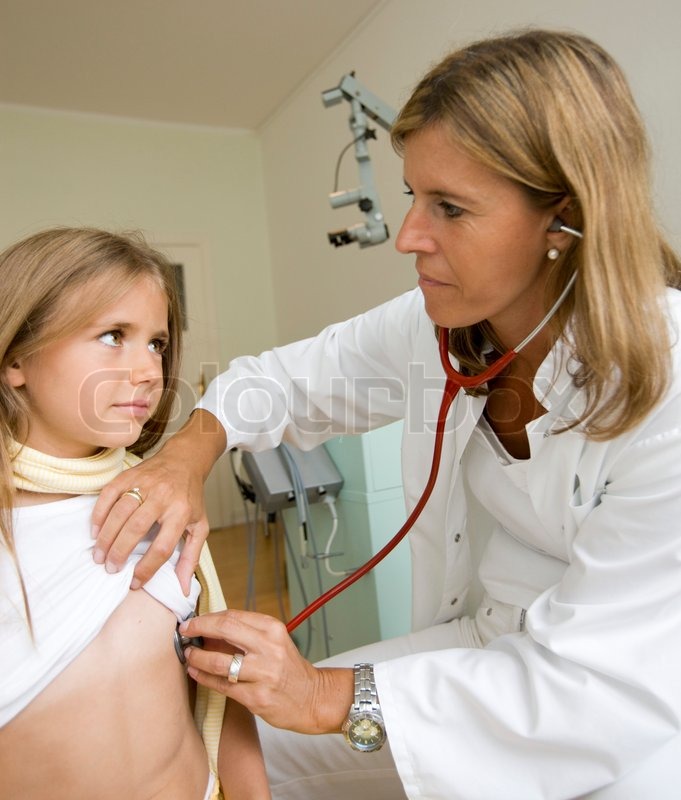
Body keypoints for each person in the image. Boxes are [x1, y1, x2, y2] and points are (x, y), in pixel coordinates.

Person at [92, 28, 681, 799]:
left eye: (450, 208)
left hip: (623, 719)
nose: (408, 237)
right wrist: (183, 458)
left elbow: (592, 690)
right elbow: (277, 383)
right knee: (233, 741)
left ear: (562, 219)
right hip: (476, 647)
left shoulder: (669, 385)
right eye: (412, 196)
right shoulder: (439, 327)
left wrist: (321, 696)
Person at [0, 227, 271, 800]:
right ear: (16, 358)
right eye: (113, 335)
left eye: (157, 343)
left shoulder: (162, 504)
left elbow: (219, 687)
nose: (149, 370)